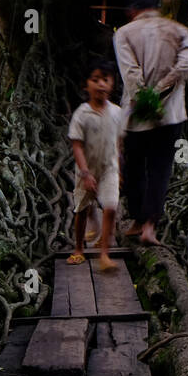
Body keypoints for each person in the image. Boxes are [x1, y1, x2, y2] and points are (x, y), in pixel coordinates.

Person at [113, 0, 188, 245]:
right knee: (161, 168)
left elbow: (130, 72)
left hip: (136, 116)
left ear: (131, 11)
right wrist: (161, 94)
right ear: (157, 8)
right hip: (171, 115)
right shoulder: (181, 31)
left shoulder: (124, 33)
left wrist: (144, 99)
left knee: (135, 167)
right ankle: (149, 226)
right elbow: (183, 67)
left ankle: (137, 219)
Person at [67, 58, 123, 272]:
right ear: (86, 85)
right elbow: (77, 145)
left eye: (105, 80)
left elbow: (118, 143)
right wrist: (85, 173)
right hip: (86, 171)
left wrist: (119, 169)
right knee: (81, 209)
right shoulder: (82, 114)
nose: (101, 84)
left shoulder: (117, 113)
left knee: (110, 207)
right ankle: (79, 248)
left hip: (109, 169)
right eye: (95, 79)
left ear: (112, 84)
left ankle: (105, 254)